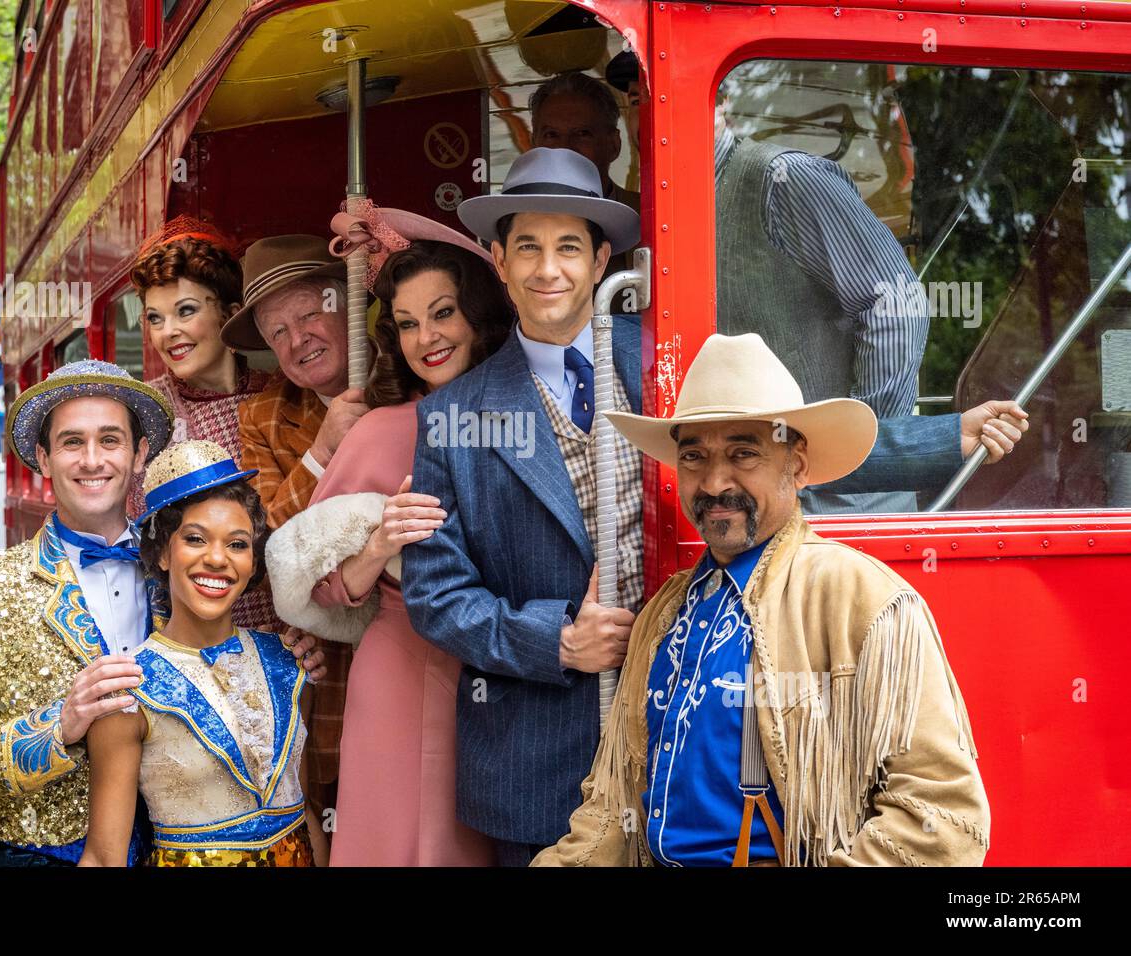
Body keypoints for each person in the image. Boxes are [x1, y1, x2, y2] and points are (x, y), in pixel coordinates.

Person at [534, 333, 990, 866]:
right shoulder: (665, 611)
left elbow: (941, 819)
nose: (714, 480)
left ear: (795, 464)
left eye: (743, 453)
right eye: (694, 457)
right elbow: (611, 809)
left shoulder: (859, 596)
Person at [566, 55, 1032, 513]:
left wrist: (859, 453)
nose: (648, 114)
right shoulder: (669, 210)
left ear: (720, 102)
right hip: (748, 502)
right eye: (635, 100)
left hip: (836, 511)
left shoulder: (781, 178)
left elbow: (896, 304)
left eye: (668, 96)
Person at [0, 360, 322, 867]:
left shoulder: (185, 572)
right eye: (72, 442)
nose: (92, 460)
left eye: (110, 440)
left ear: (139, 452)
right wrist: (57, 726)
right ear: (43, 457)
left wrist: (285, 657)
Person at [403, 147, 646, 865]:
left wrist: (951, 436)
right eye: (529, 248)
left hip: (680, 732)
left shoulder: (669, 357)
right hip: (536, 764)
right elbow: (435, 595)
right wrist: (560, 641)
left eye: (569, 246)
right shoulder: (453, 415)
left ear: (600, 260)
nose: (549, 269)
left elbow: (787, 443)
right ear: (499, 261)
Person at [267, 234, 512, 866]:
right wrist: (378, 543)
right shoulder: (380, 430)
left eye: (442, 312)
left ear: (479, 314)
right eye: (406, 323)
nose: (426, 336)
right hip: (401, 666)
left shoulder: (530, 417)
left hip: (513, 671)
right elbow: (311, 585)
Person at [79, 440, 313, 867]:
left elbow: (306, 812)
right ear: (164, 552)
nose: (218, 559)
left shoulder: (289, 662)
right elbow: (103, 856)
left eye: (238, 544)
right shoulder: (127, 692)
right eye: (195, 539)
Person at [222, 235, 369, 863]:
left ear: (353, 306)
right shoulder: (263, 414)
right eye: (277, 332)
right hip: (329, 674)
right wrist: (324, 449)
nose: (297, 339)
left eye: (310, 313)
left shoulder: (411, 375)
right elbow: (252, 553)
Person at [127, 217, 276, 630]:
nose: (168, 332)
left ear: (230, 313)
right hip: (187, 643)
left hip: (288, 641)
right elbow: (140, 548)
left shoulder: (282, 399)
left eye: (186, 311)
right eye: (154, 318)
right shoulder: (146, 412)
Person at [530, 70, 640, 282]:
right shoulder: (510, 226)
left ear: (614, 145)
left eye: (582, 134)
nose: (565, 148)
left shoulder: (647, 220)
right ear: (533, 144)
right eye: (551, 135)